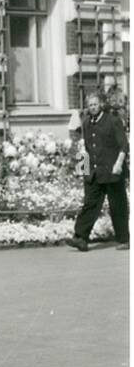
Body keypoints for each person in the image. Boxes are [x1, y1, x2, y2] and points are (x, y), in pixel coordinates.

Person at [68, 92, 130, 251]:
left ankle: (124, 239)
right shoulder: (87, 123)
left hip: (113, 172)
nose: (93, 107)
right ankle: (80, 238)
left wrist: (119, 164)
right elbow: (85, 148)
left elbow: (124, 145)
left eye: (95, 104)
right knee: (90, 204)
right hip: (94, 173)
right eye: (90, 105)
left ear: (101, 104)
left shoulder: (112, 120)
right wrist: (82, 170)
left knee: (118, 206)